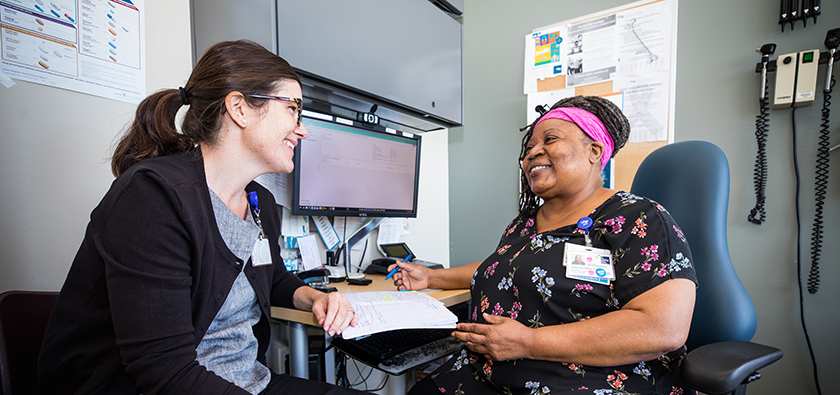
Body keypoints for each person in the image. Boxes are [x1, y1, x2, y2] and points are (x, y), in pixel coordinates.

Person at [37, 40, 366, 395]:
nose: (301, 129)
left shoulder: (260, 202)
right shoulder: (154, 196)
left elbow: (271, 279)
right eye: (292, 108)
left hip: (246, 382)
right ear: (239, 108)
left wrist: (314, 297)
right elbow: (164, 370)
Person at [390, 96, 697, 395]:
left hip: (587, 381)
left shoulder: (638, 218)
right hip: (484, 375)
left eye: (550, 139)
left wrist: (527, 342)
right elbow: (500, 268)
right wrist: (430, 277)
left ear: (594, 150)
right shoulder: (523, 223)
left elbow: (662, 327)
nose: (533, 153)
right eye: (529, 148)